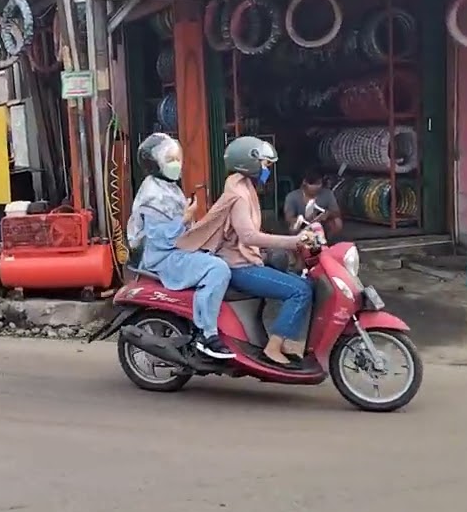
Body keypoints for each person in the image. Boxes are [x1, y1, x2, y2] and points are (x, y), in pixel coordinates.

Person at [177, 136, 315, 368]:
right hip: (239, 266)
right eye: (265, 164)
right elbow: (248, 236)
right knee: (299, 291)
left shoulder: (242, 184)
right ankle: (273, 348)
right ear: (249, 163)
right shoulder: (239, 195)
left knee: (307, 283)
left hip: (248, 258)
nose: (267, 170)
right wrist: (294, 241)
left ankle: (283, 339)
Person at [126, 132, 234, 359]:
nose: (177, 164)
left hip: (176, 249)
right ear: (155, 164)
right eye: (170, 160)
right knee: (217, 269)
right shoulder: (154, 196)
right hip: (164, 257)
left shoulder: (167, 187)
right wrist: (186, 218)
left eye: (177, 158)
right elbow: (162, 240)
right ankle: (207, 334)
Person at [284, 168, 343, 240]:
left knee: (337, 222)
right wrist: (302, 220)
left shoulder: (328, 194)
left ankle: (328, 243)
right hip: (303, 225)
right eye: (312, 184)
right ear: (304, 182)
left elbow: (337, 212)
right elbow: (288, 218)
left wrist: (328, 214)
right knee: (293, 227)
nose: (315, 187)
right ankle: (298, 244)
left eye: (318, 183)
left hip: (322, 224)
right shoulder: (292, 196)